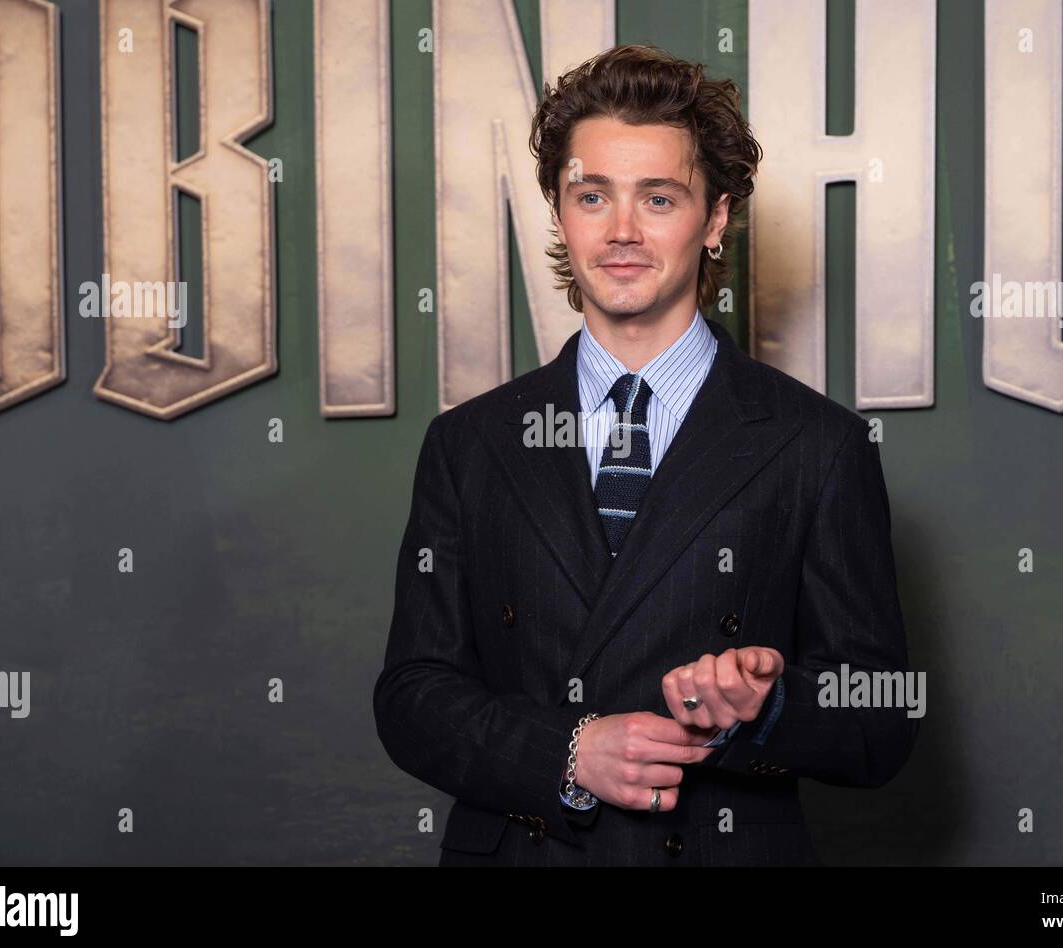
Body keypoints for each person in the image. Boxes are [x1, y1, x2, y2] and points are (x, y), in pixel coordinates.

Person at [374, 43, 917, 866]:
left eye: (659, 198)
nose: (621, 231)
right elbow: (413, 697)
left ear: (717, 217)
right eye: (593, 196)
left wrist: (763, 709)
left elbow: (881, 721)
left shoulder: (818, 445)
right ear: (559, 212)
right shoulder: (469, 443)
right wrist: (567, 753)